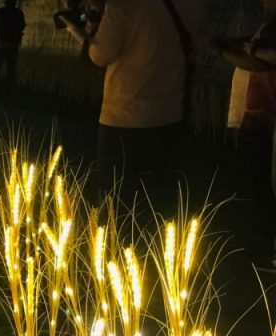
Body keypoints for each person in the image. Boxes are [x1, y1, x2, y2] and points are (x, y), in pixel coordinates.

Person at [60, 0, 206, 209]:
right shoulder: (193, 6)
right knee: (157, 199)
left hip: (125, 118)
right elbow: (196, 46)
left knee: (118, 200)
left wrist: (77, 31)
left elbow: (100, 55)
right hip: (170, 115)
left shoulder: (123, 5)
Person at [215, 1, 276, 266]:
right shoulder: (268, 23)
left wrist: (223, 50)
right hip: (252, 117)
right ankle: (257, 242)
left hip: (261, 117)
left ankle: (261, 246)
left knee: (259, 184)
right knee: (254, 182)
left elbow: (259, 62)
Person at [0, 0, 27, 99]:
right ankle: (7, 94)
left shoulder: (1, 12)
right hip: (13, 46)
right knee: (10, 71)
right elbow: (22, 26)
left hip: (1, 46)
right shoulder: (18, 13)